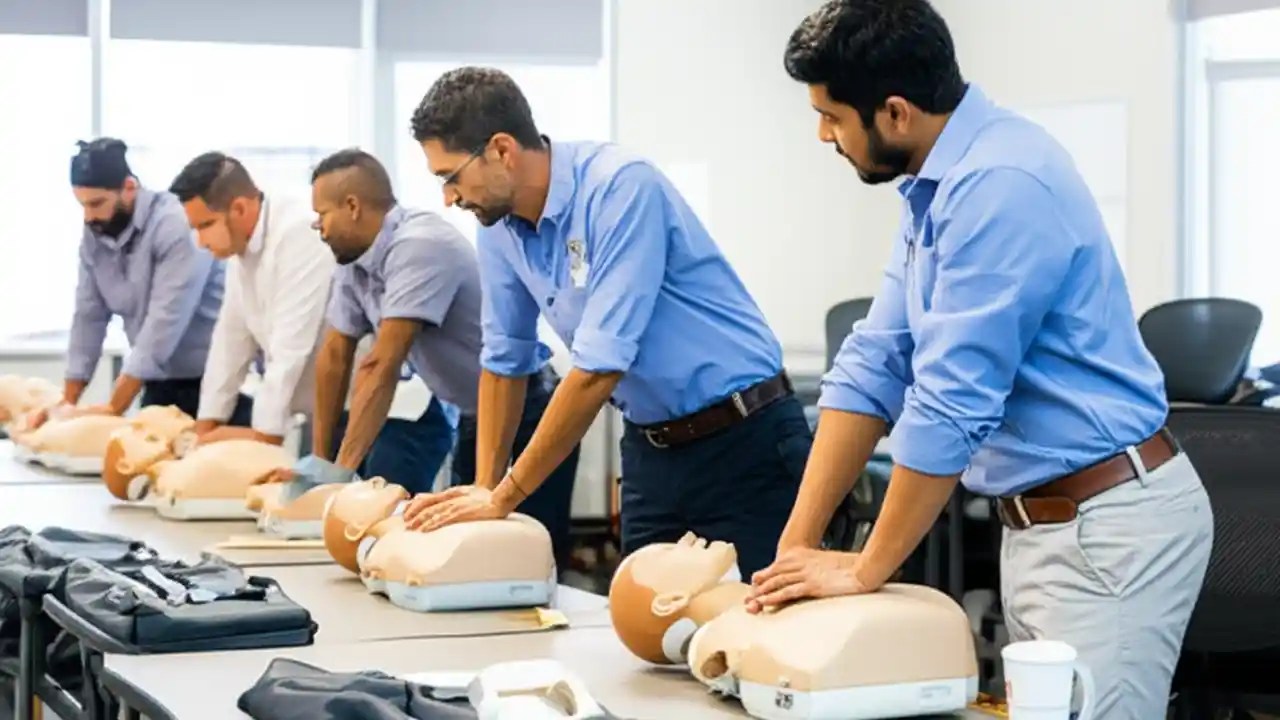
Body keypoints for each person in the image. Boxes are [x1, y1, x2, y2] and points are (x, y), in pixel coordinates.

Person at [746, 2, 1214, 718]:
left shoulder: (1001, 184)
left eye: (833, 117)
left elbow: (949, 406)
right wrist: (794, 554)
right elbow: (875, 362)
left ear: (895, 113)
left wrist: (868, 568)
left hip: (1106, 526)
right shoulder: (936, 186)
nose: (823, 135)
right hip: (1046, 522)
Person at [402, 67, 814, 580]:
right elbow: (505, 359)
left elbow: (599, 367)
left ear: (502, 150)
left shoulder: (620, 188)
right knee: (648, 634)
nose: (448, 198)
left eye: (451, 177)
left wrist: (505, 496)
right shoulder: (498, 226)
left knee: (758, 632)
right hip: (651, 450)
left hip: (744, 440)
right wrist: (486, 486)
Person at [307, 149, 579, 567]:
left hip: (529, 409)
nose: (317, 227)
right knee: (461, 552)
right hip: (478, 415)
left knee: (524, 556)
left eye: (321, 215)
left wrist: (341, 479)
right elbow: (335, 356)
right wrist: (321, 466)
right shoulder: (353, 261)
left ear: (352, 207)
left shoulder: (420, 245)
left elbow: (382, 364)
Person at [35, 138, 224, 425]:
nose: (88, 216)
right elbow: (88, 318)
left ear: (129, 188)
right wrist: (66, 407)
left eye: (97, 203)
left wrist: (113, 408)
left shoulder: (176, 223)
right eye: (82, 205)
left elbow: (163, 322)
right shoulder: (95, 234)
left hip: (213, 385)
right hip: (157, 382)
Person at [169, 151, 335, 446]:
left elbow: (290, 348)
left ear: (240, 209)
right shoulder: (240, 250)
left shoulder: (299, 232)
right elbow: (229, 342)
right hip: (326, 408)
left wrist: (263, 437)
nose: (200, 241)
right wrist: (204, 429)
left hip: (390, 412)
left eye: (205, 225)